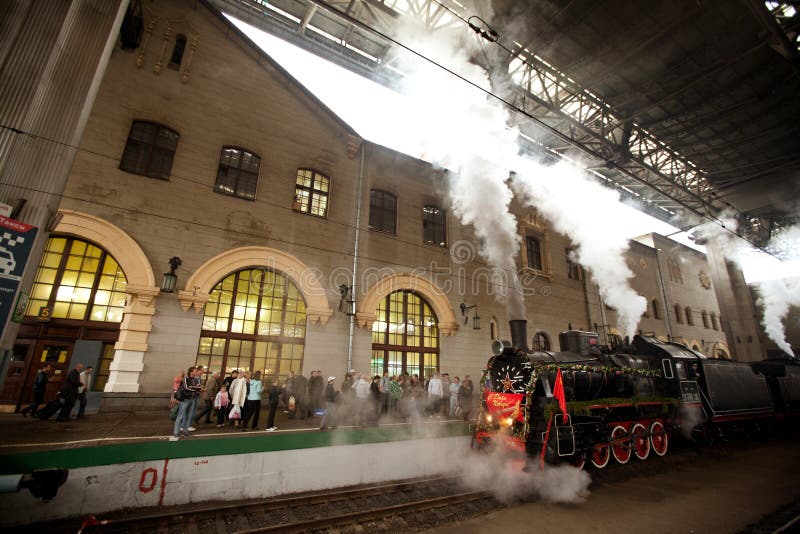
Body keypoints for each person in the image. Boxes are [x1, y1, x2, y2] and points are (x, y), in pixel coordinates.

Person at [171, 366, 201, 440]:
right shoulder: (185, 379)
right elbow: (187, 387)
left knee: (188, 416)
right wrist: (195, 388)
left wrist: (194, 388)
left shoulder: (196, 379)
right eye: (195, 371)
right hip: (185, 400)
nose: (196, 372)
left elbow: (199, 388)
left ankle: (185, 431)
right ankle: (176, 432)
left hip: (192, 399)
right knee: (180, 416)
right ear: (191, 372)